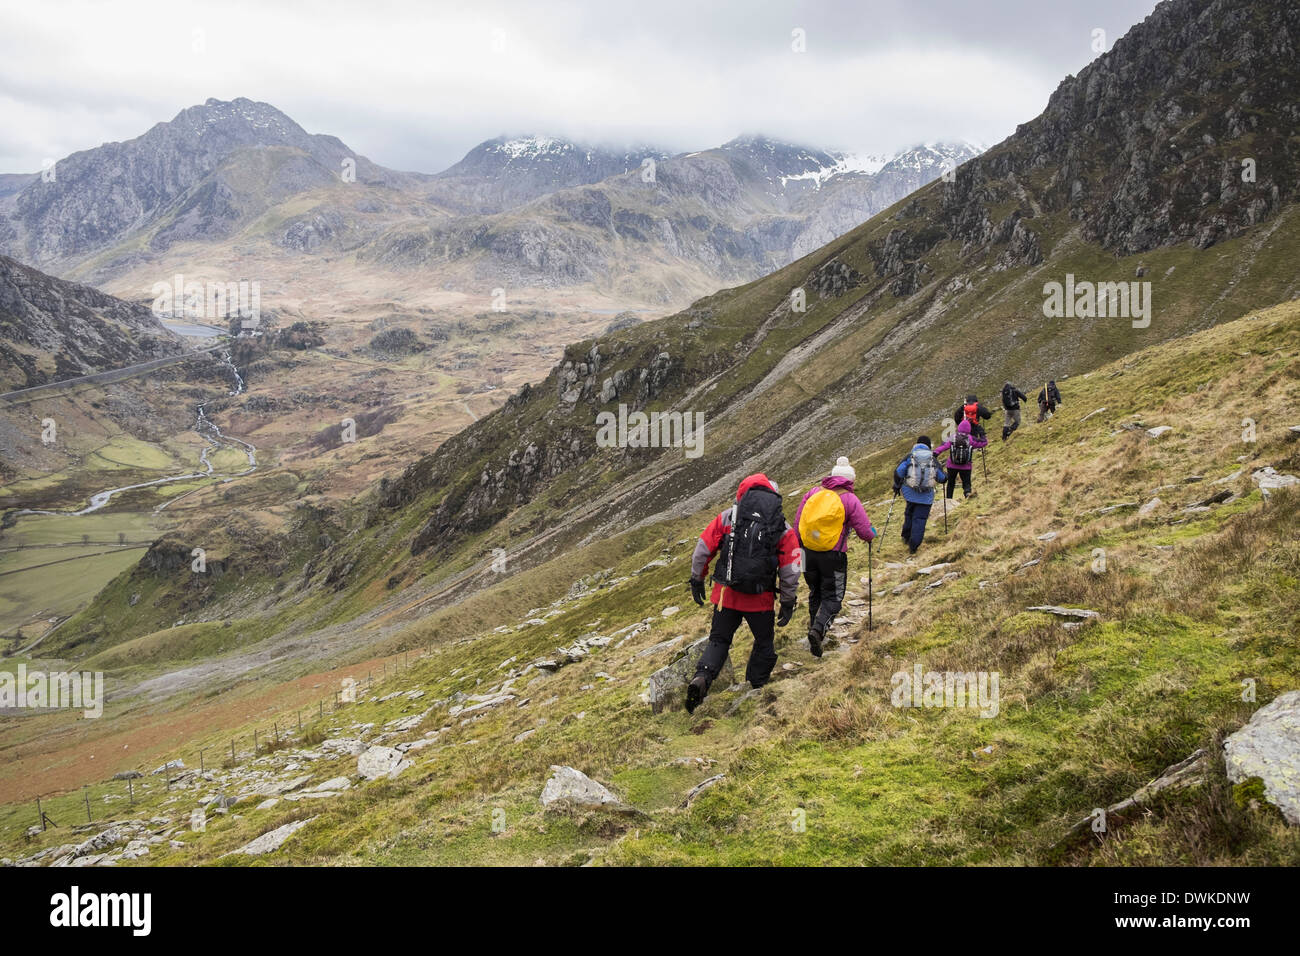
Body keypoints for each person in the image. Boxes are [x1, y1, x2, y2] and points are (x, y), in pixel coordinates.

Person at [686, 473, 801, 713]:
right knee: (764, 642)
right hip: (760, 599)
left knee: (719, 640)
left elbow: (702, 549)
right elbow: (791, 567)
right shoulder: (781, 526)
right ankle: (755, 686)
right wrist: (788, 601)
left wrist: (697, 579)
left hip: (726, 595)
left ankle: (702, 678)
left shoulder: (728, 517)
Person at [793, 456, 877, 657]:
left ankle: (814, 628)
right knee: (834, 597)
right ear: (850, 480)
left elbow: (798, 524)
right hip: (833, 556)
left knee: (815, 591)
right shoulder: (849, 498)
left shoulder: (813, 492)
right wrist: (871, 534)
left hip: (807, 552)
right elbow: (865, 532)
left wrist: (798, 547)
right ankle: (818, 630)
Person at [892, 436, 947, 555]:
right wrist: (945, 475)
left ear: (917, 444)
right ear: (929, 446)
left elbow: (898, 472)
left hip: (910, 493)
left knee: (909, 514)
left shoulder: (910, 456)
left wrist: (896, 486)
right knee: (920, 519)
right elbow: (942, 478)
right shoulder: (933, 459)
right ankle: (914, 546)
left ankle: (906, 537)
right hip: (926, 497)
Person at [933, 419, 987, 498]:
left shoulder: (952, 437)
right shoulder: (971, 439)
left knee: (951, 483)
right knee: (966, 483)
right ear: (969, 429)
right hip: (966, 466)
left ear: (959, 427)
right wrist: (982, 433)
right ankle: (967, 494)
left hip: (951, 465)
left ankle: (949, 498)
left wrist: (935, 454)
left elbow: (943, 446)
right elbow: (984, 443)